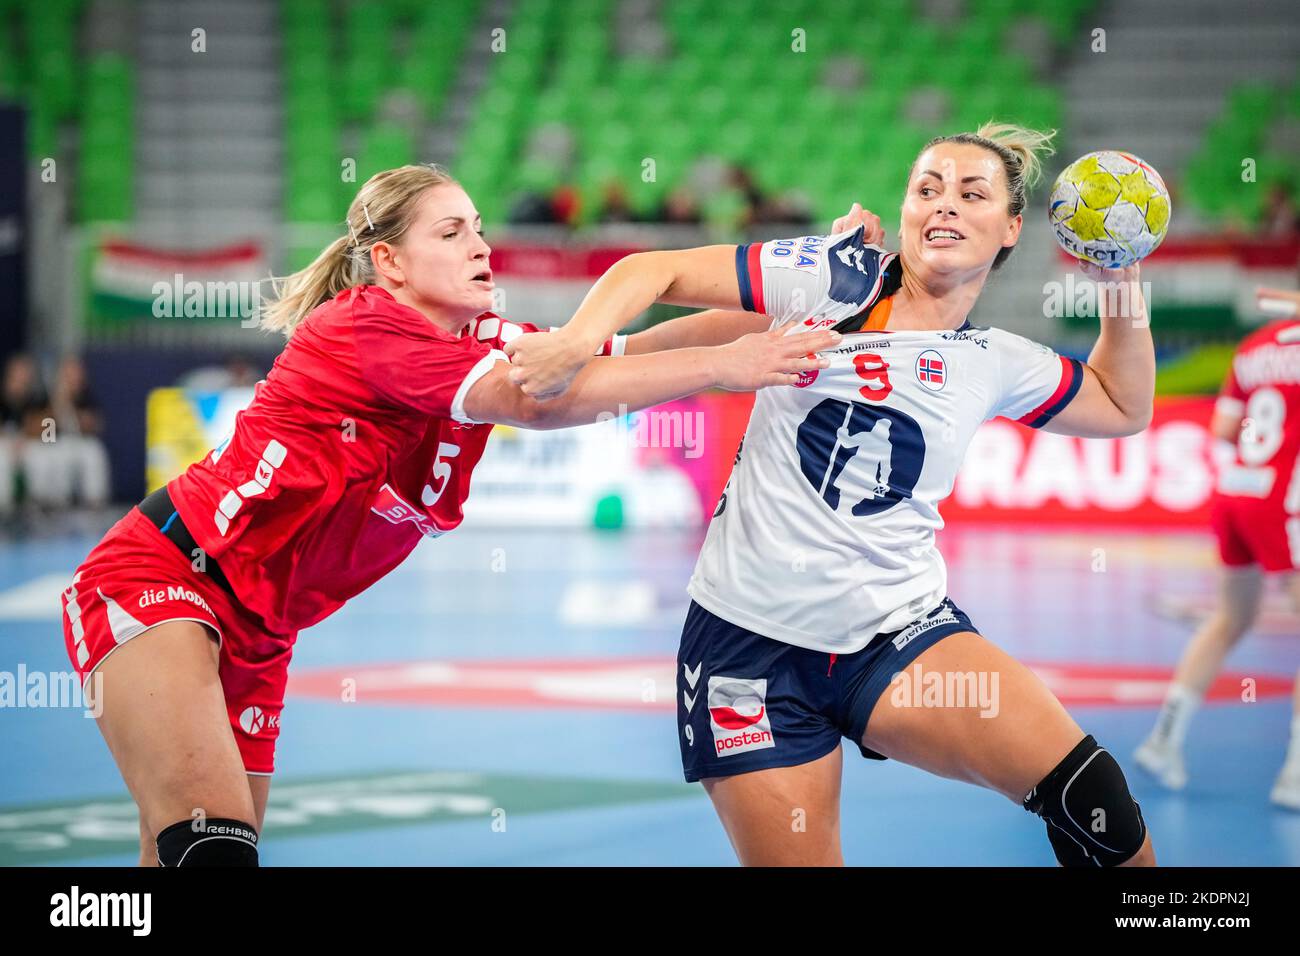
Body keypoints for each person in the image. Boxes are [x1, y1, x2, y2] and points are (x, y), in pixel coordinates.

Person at [61, 163, 838, 867]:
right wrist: (728, 370)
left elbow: (631, 351)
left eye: (479, 227)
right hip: (166, 577)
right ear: (389, 263)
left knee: (176, 859)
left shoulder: (484, 339)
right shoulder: (362, 328)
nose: (481, 246)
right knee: (210, 851)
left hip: (262, 633)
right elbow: (534, 402)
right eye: (451, 231)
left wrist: (826, 291)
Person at [505, 123, 1159, 866]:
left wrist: (1118, 280)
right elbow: (650, 270)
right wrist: (575, 339)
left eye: (971, 193)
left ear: (1012, 227)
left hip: (898, 638)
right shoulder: (834, 276)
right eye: (927, 189)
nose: (943, 206)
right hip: (746, 655)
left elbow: (1122, 406)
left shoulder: (996, 361)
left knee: (1093, 799)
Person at [1136, 286, 1300, 809]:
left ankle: (1164, 740)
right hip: (1288, 500)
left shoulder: (1253, 347)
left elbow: (1227, 429)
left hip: (1236, 495)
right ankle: (1295, 775)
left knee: (1231, 618)